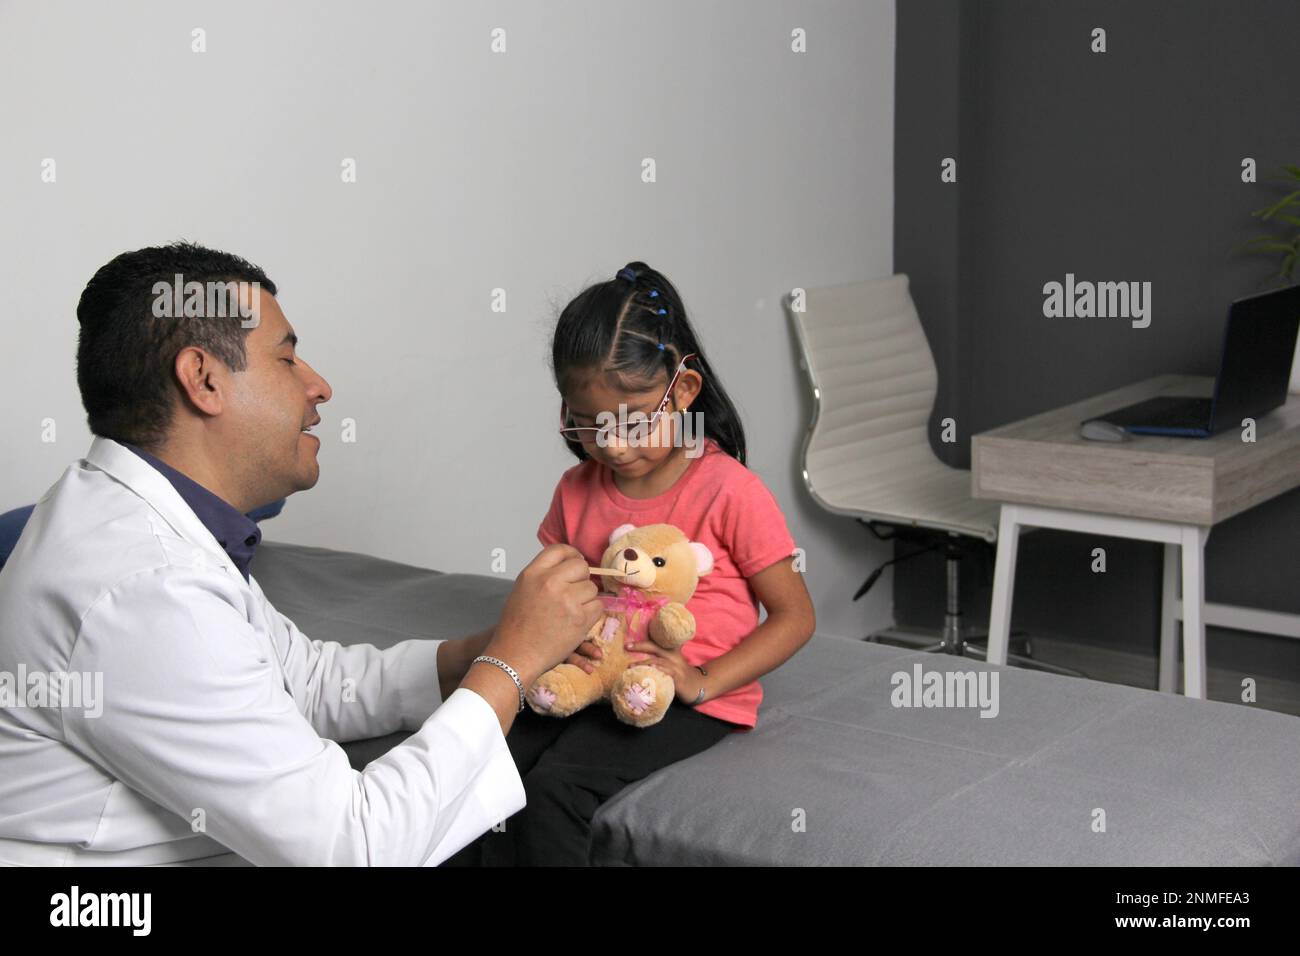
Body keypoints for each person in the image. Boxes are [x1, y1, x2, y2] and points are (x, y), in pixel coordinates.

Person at [0, 242, 602, 866]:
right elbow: (356, 849)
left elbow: (303, 682)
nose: (319, 386)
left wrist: (475, 653)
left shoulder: (148, 523)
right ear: (204, 380)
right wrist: (511, 664)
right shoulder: (143, 587)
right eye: (286, 359)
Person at [449, 261, 816, 866]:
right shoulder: (575, 489)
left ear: (686, 392)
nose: (614, 445)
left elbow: (794, 617)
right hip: (589, 681)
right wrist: (561, 648)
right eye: (590, 424)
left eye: (634, 420)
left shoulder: (728, 490)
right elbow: (554, 597)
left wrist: (703, 681)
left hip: (676, 691)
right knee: (477, 768)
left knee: (556, 791)